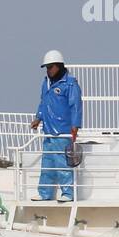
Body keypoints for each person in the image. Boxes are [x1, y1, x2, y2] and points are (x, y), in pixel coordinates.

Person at [30, 50, 82, 202]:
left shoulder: (69, 84)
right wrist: (38, 118)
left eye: (51, 67)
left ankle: (67, 193)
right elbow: (43, 102)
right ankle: (44, 193)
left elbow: (76, 106)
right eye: (47, 67)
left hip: (63, 130)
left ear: (59, 66)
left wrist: (75, 125)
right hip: (48, 130)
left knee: (62, 163)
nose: (49, 70)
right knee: (47, 163)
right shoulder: (45, 83)